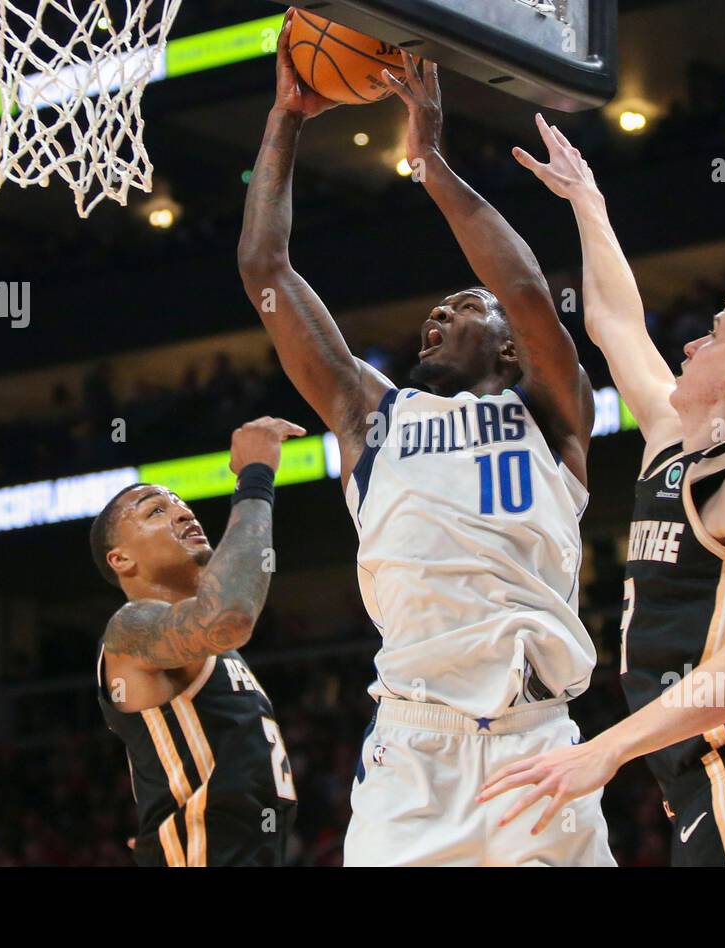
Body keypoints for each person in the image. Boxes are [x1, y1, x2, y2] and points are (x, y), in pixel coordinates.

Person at [235, 18, 613, 867]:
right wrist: (287, 118)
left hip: (535, 738)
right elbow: (266, 268)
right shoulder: (371, 414)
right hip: (414, 748)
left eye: (461, 307)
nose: (438, 314)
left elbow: (522, 287)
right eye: (437, 309)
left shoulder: (554, 411)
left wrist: (429, 160)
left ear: (510, 346)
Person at [481, 118, 725, 866]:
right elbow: (614, 321)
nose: (690, 344)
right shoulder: (672, 438)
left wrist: (608, 750)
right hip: (704, 798)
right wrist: (587, 201)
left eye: (712, 335)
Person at [91, 416, 303, 865]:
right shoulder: (129, 630)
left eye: (180, 504)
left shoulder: (207, 646)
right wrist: (256, 478)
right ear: (121, 559)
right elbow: (230, 615)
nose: (183, 512)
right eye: (155, 511)